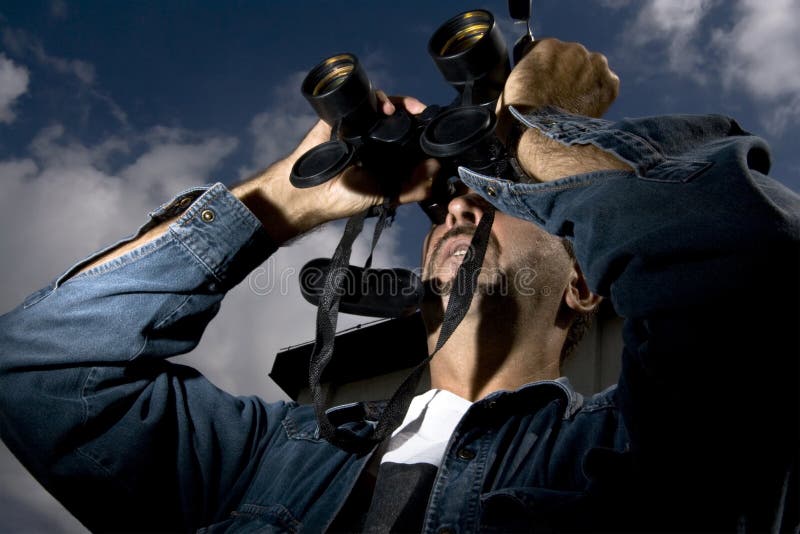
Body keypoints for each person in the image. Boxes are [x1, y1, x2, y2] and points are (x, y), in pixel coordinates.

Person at [0, 38, 797, 533]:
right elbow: (42, 364)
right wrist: (292, 198)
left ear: (584, 283)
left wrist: (542, 134)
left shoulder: (631, 449)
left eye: (504, 200)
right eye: (449, 203)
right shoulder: (268, 458)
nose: (460, 207)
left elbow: (754, 286)